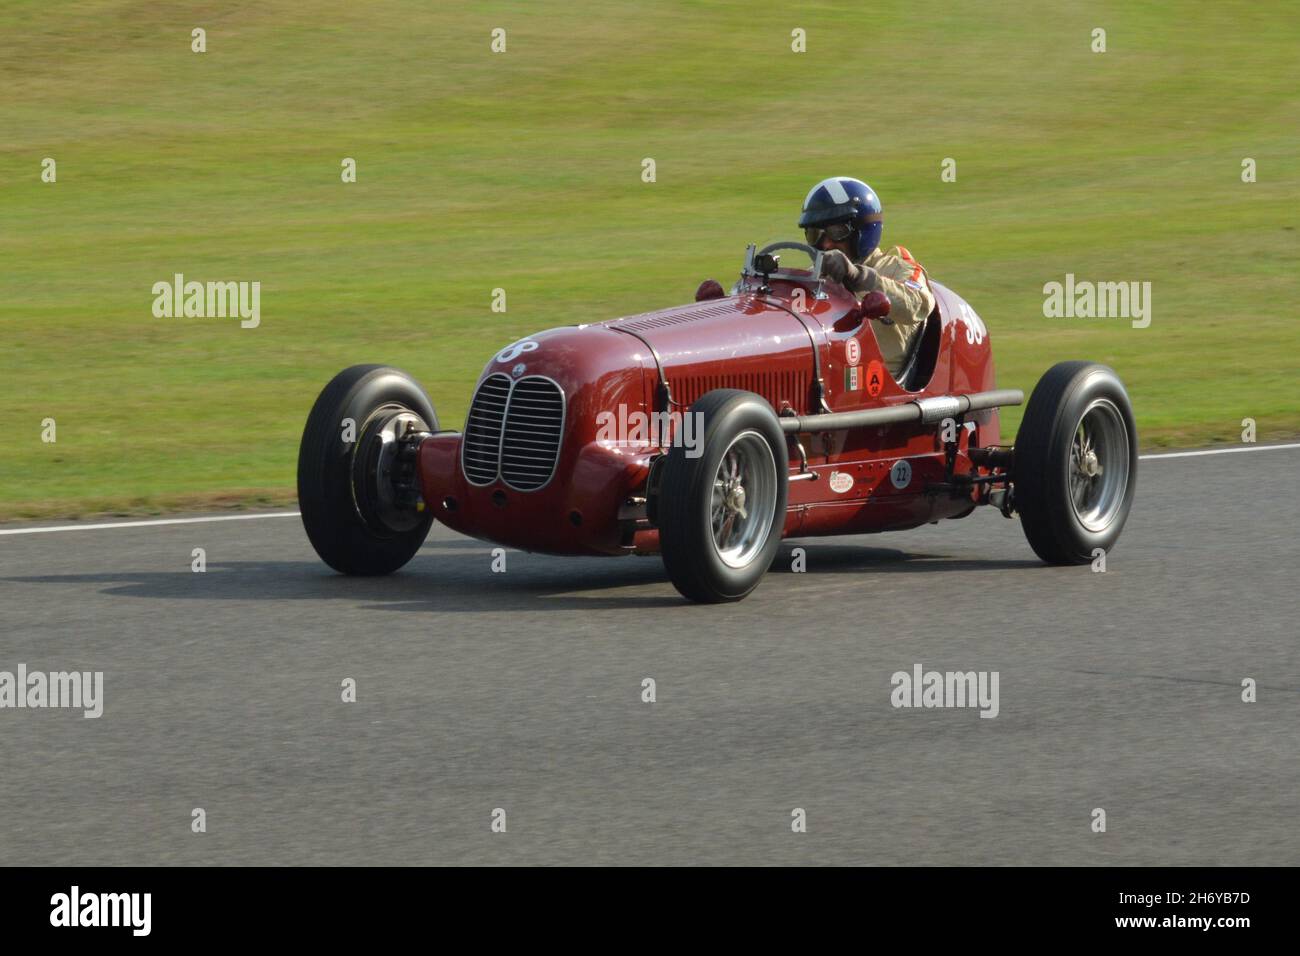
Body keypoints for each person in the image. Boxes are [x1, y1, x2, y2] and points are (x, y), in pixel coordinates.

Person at [798, 177, 935, 378]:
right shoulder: (815, 275)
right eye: (814, 234)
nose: (825, 244)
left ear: (862, 230)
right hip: (829, 378)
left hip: (882, 391)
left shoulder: (896, 268)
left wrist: (857, 276)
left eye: (836, 232)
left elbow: (918, 305)